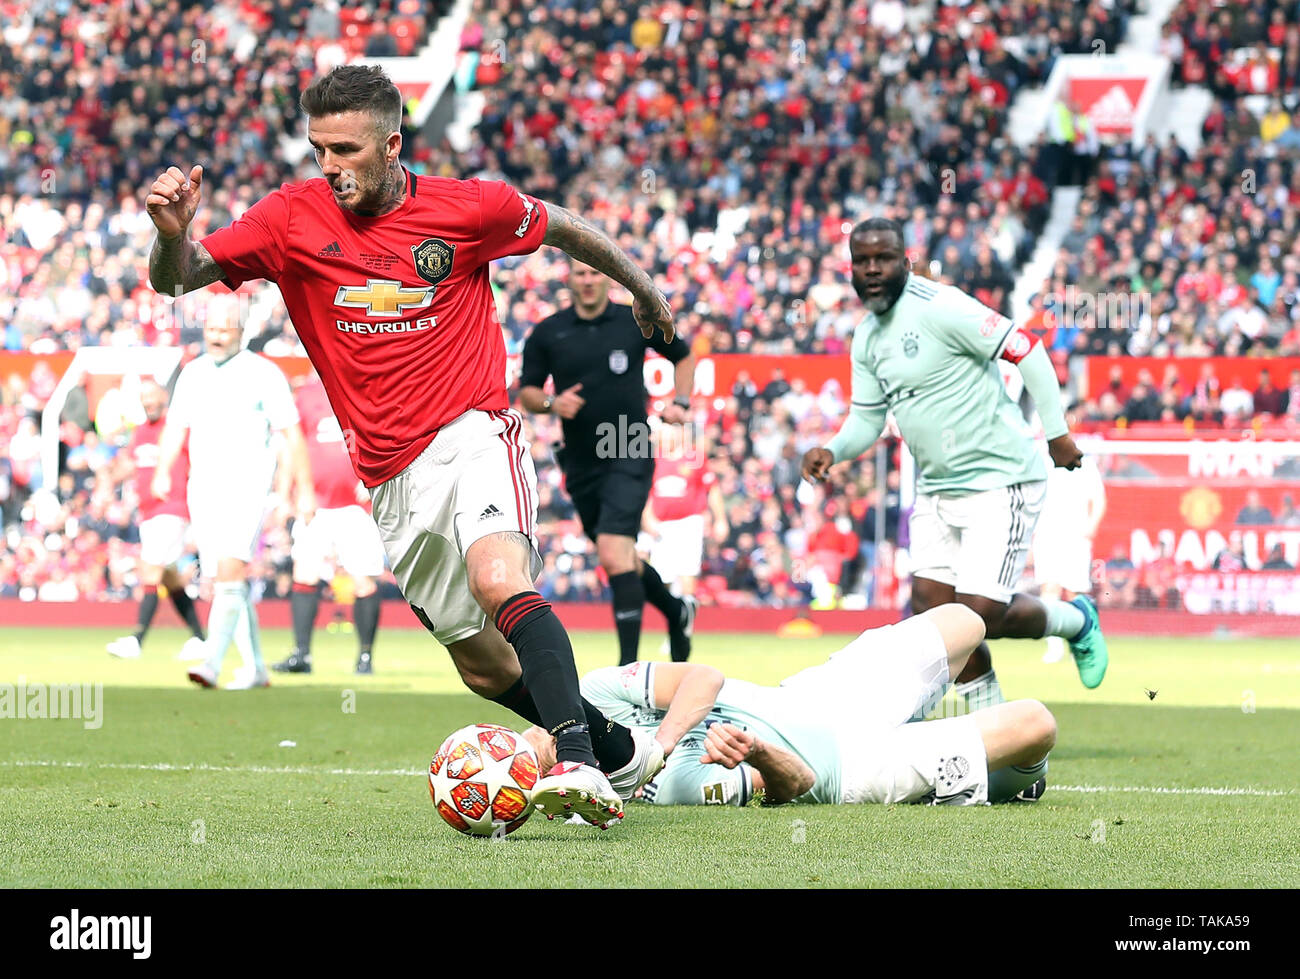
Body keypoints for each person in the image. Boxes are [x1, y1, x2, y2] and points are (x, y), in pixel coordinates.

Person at [144, 64, 668, 825]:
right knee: (483, 664)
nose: (330, 165)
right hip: (390, 473)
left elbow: (561, 225)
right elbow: (179, 278)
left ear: (392, 144)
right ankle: (617, 743)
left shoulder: (467, 206)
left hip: (472, 429)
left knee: (498, 576)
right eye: (319, 148)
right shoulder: (290, 217)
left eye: (347, 149)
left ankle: (582, 763)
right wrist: (171, 236)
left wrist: (645, 290)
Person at [803, 218, 1108, 717]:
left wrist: (1057, 433)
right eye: (863, 261)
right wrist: (833, 449)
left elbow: (1025, 349)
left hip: (1001, 478)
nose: (873, 269)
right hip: (938, 488)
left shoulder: (941, 306)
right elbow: (866, 417)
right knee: (936, 615)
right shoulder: (865, 337)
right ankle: (993, 735)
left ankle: (1075, 620)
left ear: (905, 262)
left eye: (883, 259)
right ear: (852, 268)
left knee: (977, 615)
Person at [525, 604, 1056, 807]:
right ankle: (1013, 776)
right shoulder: (661, 795)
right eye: (527, 765)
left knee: (966, 622)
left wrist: (659, 745)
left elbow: (704, 677)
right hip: (852, 766)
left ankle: (966, 742)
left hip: (817, 693)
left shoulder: (590, 694)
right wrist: (756, 752)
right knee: (1036, 725)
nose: (531, 739)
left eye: (523, 737)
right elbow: (796, 783)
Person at [518, 261, 699, 666]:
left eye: (594, 273)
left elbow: (683, 357)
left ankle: (628, 672)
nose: (587, 281)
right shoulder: (549, 331)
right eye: (580, 274)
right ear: (569, 278)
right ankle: (676, 612)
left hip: (629, 444)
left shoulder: (634, 321)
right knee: (620, 557)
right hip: (580, 459)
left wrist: (681, 402)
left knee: (616, 553)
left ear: (606, 278)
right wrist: (552, 403)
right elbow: (528, 391)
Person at [151, 310, 314, 690]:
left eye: (224, 329)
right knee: (226, 579)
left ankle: (211, 663)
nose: (217, 336)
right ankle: (257, 669)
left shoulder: (264, 373)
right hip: (202, 486)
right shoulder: (193, 372)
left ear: (241, 332)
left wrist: (302, 488)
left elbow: (291, 433)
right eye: (211, 329)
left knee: (229, 569)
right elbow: (176, 426)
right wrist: (162, 469)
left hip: (247, 485)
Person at [272, 373, 385, 676]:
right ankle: (302, 655)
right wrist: (286, 495)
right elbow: (291, 449)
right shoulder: (305, 395)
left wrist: (376, 476)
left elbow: (383, 436)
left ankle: (364, 657)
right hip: (315, 504)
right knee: (304, 574)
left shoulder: (363, 387)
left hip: (356, 506)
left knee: (362, 580)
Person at [104, 378, 207, 662]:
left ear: (164, 396)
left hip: (171, 508)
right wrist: (107, 478)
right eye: (144, 398)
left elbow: (198, 463)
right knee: (169, 578)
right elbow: (132, 466)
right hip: (148, 512)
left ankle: (136, 640)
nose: (148, 402)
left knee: (150, 569)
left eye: (152, 396)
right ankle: (200, 640)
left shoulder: (176, 429)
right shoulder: (139, 433)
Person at [1032, 414, 1107, 665]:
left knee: (1075, 591)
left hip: (1075, 534)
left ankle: (1082, 643)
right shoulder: (1039, 457)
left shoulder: (1083, 459)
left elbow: (1098, 498)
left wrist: (1092, 524)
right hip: (1048, 532)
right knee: (1049, 587)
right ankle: (1053, 645)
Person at [641, 424, 728, 612]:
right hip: (661, 527)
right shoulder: (654, 460)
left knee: (687, 572)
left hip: (689, 523)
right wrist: (647, 518)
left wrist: (720, 519)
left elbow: (711, 489)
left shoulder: (695, 458)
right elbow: (647, 493)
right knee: (662, 577)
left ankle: (685, 626)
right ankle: (671, 623)